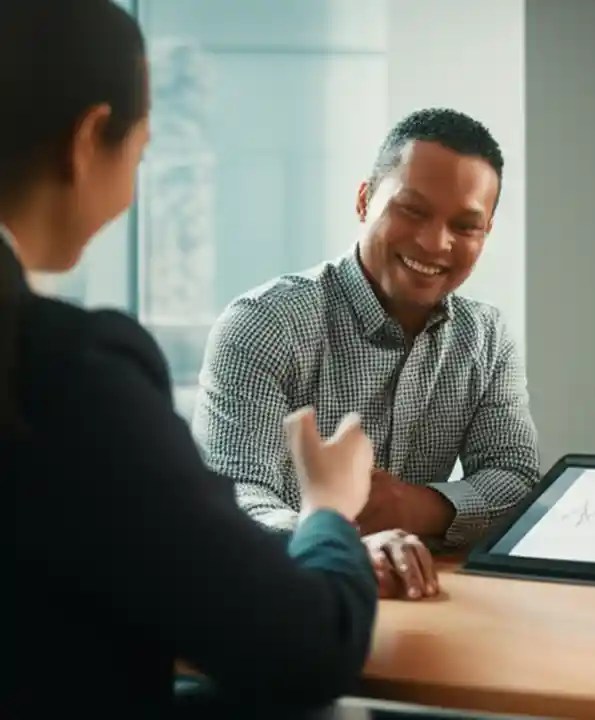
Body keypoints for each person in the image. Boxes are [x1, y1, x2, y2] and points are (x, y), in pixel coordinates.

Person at [1, 1, 378, 715]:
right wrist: (330, 508)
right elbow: (303, 646)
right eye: (141, 150)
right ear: (88, 141)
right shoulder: (72, 376)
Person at [191, 107, 538, 600]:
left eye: (465, 226)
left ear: (486, 235)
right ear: (364, 200)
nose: (434, 243)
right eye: (412, 211)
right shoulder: (264, 324)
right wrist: (340, 541)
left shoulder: (486, 336)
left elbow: (518, 482)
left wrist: (416, 507)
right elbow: (235, 498)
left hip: (424, 606)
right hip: (283, 606)